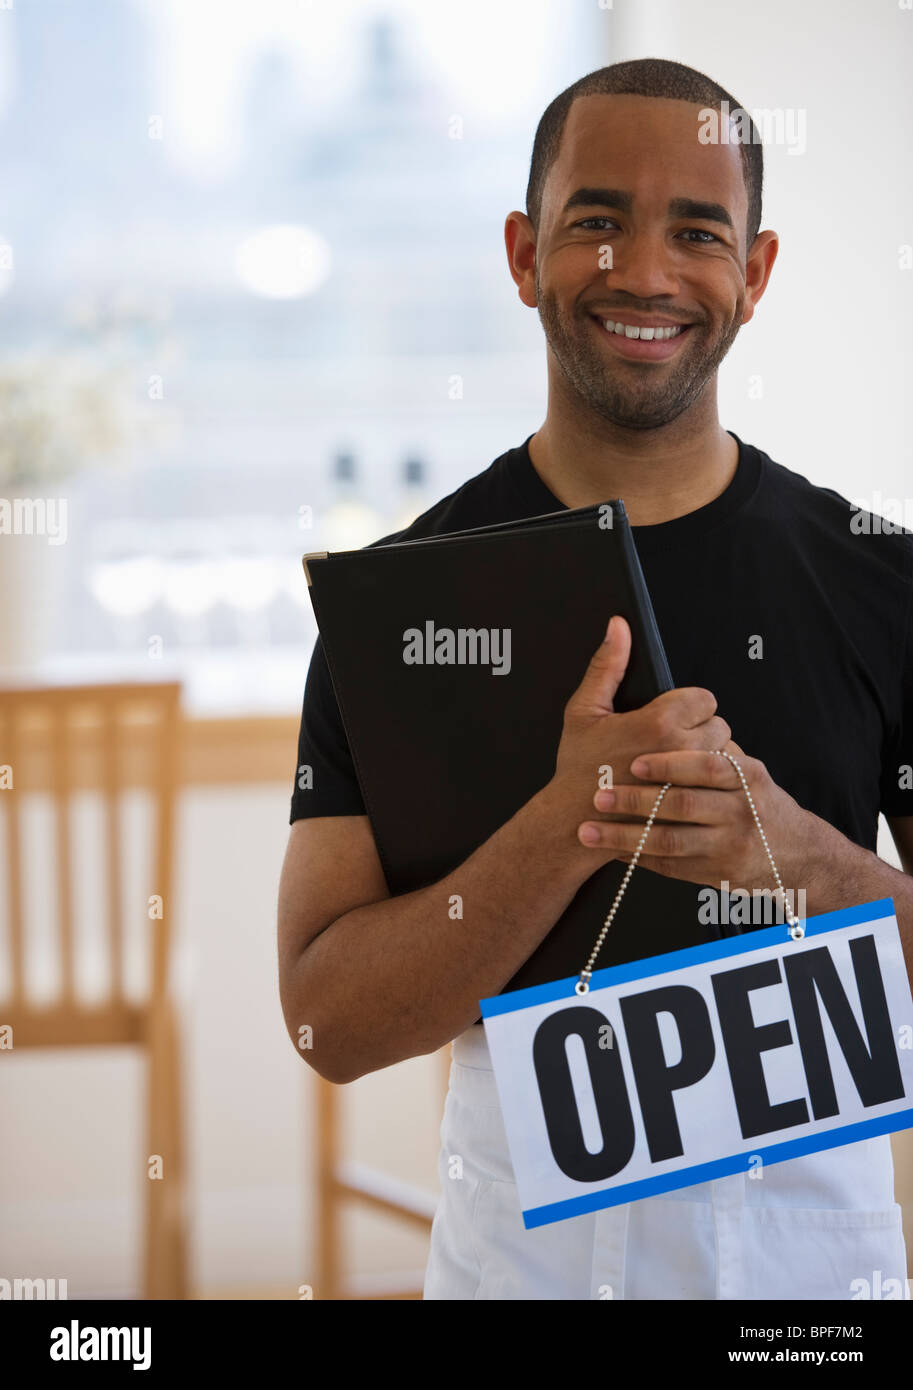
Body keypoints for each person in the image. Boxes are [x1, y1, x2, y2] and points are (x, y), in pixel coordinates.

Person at [277, 57, 913, 1299]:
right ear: (523, 255)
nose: (645, 272)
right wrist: (573, 822)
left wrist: (802, 860)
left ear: (757, 274)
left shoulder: (881, 582)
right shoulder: (399, 607)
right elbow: (326, 1022)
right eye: (597, 221)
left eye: (697, 231)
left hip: (812, 1291)